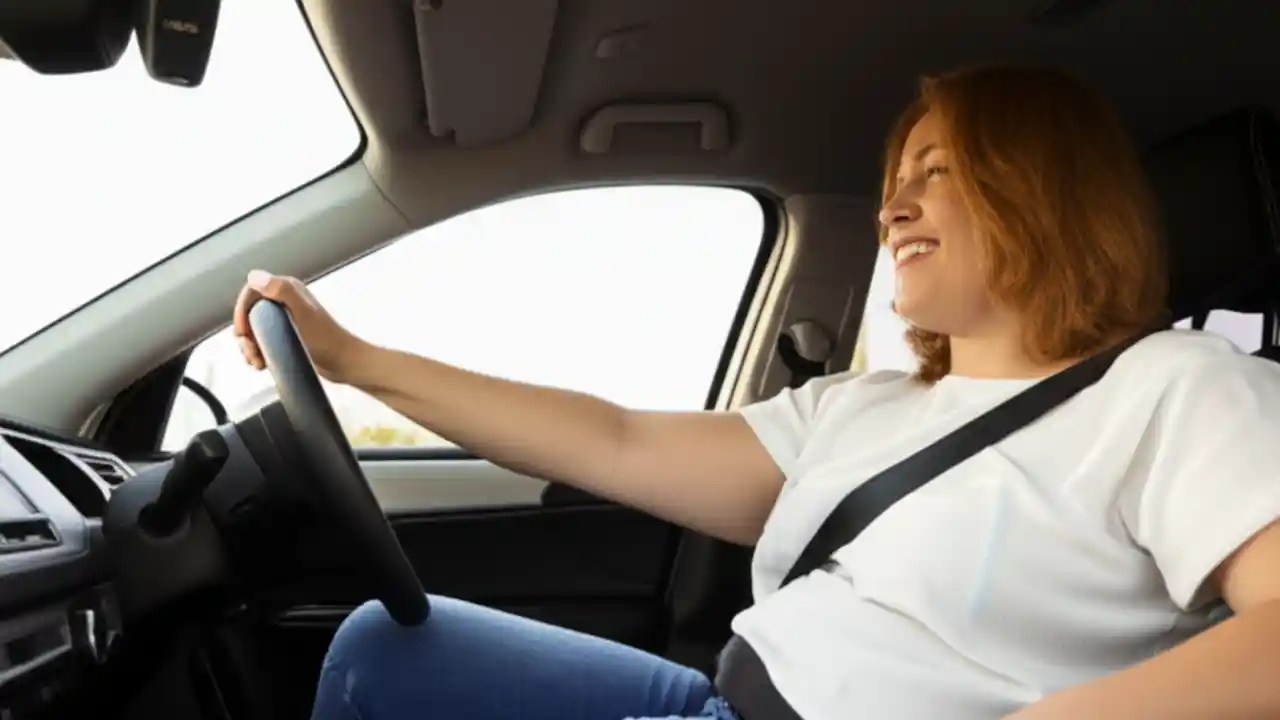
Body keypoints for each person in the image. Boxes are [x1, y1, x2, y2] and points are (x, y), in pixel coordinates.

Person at [233, 65, 1280, 720]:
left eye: (938, 172)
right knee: (385, 649)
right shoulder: (861, 407)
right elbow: (614, 441)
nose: (893, 207)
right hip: (712, 699)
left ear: (1044, 193)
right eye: (892, 183)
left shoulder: (1173, 388)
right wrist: (355, 358)